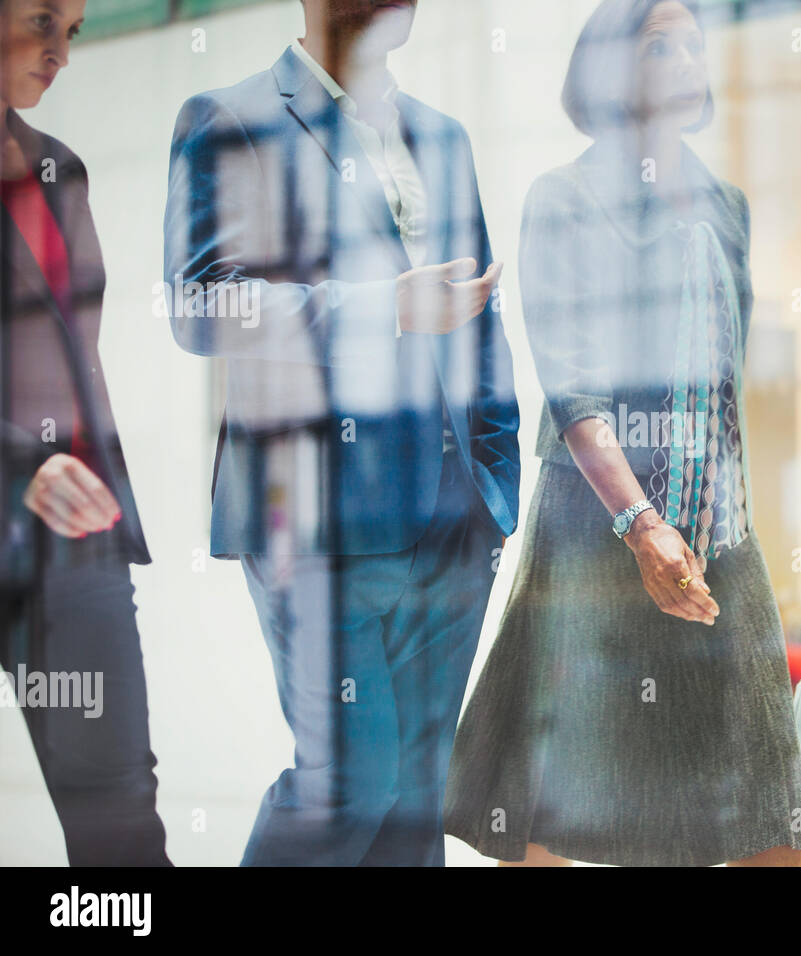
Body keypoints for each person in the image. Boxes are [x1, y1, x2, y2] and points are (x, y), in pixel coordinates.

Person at [443, 0, 801, 867]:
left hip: (718, 527)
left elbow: (725, 387)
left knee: (767, 807)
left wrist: (705, 514)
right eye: (660, 43)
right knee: (564, 803)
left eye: (697, 44)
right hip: (594, 524)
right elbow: (572, 386)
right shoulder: (563, 197)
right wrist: (639, 522)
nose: (688, 58)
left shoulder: (727, 204)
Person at [163, 0, 519, 865]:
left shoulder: (445, 136)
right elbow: (199, 303)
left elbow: (480, 322)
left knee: (416, 800)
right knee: (352, 784)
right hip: (312, 521)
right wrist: (380, 308)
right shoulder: (227, 120)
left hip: (451, 526)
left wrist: (495, 491)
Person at [0, 0, 169, 865]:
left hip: (72, 541)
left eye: (74, 29)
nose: (60, 51)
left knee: (119, 824)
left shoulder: (58, 167)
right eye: (40, 20)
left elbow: (74, 352)